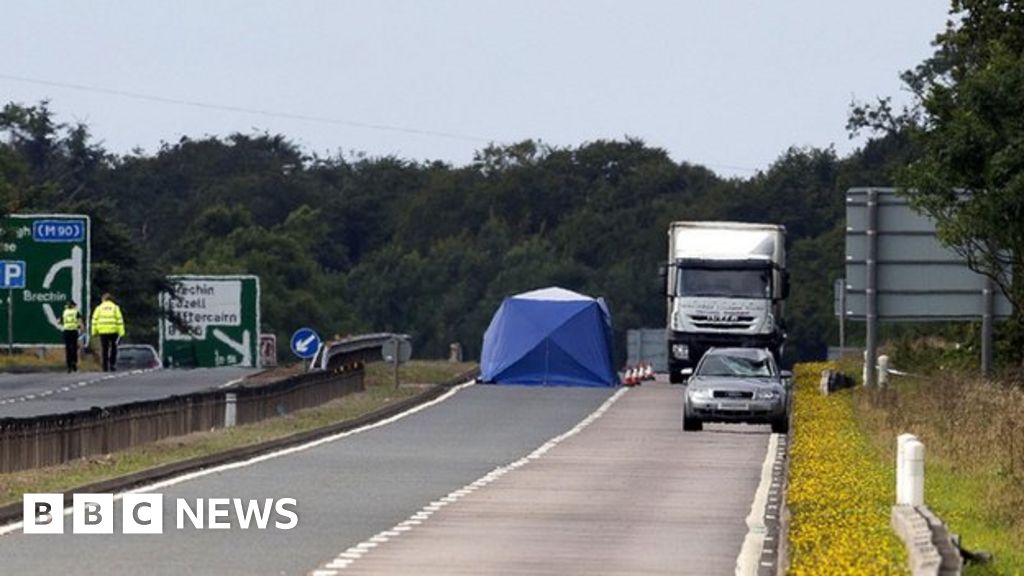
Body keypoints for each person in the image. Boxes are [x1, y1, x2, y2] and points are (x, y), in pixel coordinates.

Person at [91, 293, 126, 372]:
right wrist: (122, 332)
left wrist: (94, 332)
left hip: (102, 331)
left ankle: (105, 366)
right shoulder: (115, 308)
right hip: (113, 330)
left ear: (103, 299)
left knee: (104, 349)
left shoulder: (99, 308)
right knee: (114, 348)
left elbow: (94, 320)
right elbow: (119, 320)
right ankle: (112, 364)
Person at [61, 301, 83, 372]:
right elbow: (80, 322)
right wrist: (81, 328)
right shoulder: (76, 312)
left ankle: (68, 365)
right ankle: (74, 362)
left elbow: (60, 321)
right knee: (74, 347)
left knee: (68, 348)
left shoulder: (64, 312)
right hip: (74, 331)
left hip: (66, 331)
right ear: (73, 306)